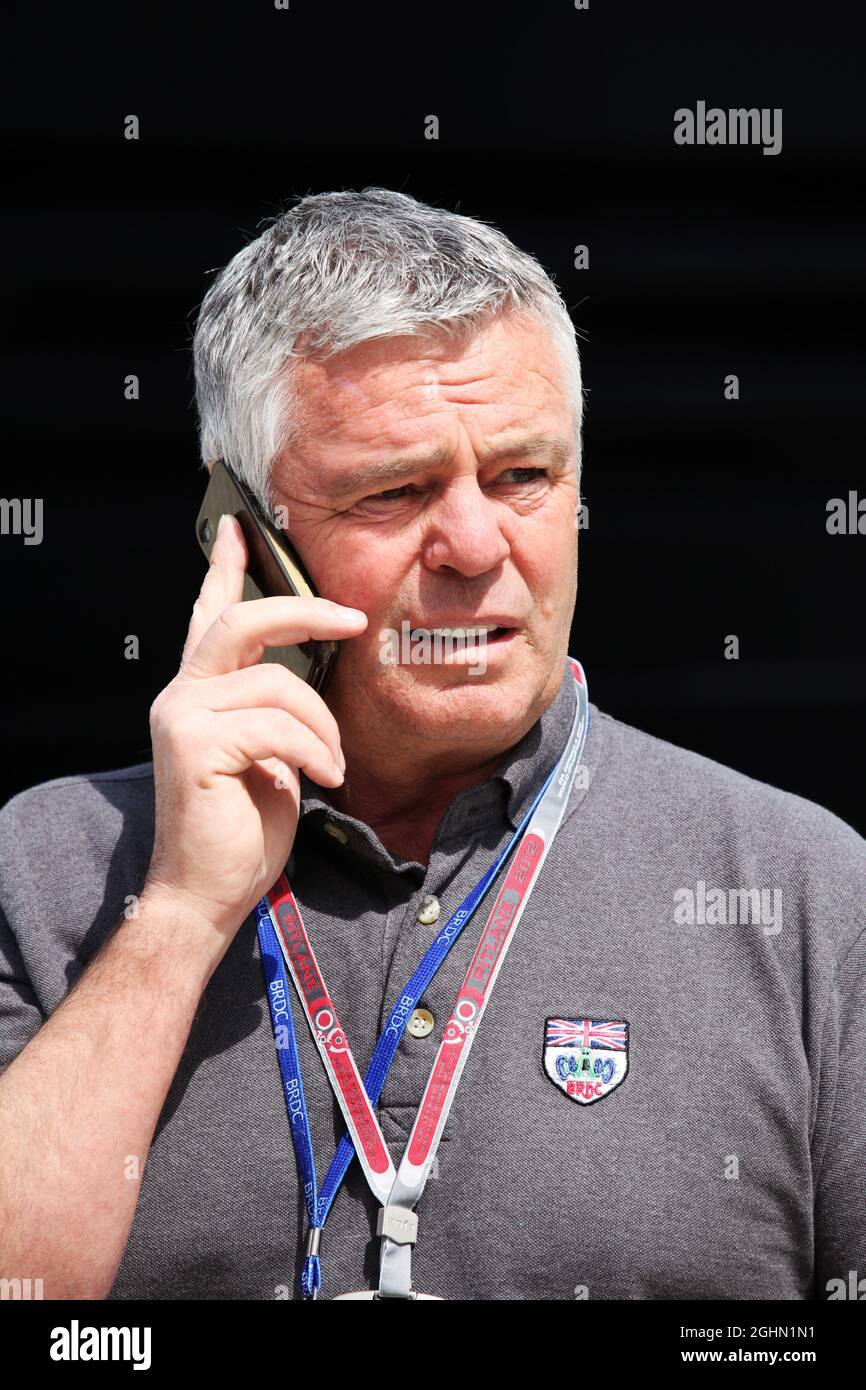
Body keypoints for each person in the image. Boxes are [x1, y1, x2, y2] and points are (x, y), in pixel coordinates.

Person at [0, 188, 863, 1302]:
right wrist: (176, 916)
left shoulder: (802, 889)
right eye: (395, 490)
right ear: (245, 537)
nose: (473, 543)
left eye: (522, 477)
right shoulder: (43, 866)